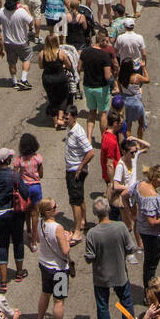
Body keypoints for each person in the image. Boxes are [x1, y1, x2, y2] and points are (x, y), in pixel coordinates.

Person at [84, 196, 138, 319]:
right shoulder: (120, 227)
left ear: (96, 213)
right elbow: (131, 248)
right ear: (108, 209)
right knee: (126, 302)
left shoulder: (92, 234)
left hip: (101, 276)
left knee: (103, 306)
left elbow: (90, 257)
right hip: (120, 273)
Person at [0, 148, 31, 291]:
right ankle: (19, 273)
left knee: (3, 245)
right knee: (18, 242)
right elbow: (25, 192)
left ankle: (3, 281)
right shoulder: (14, 175)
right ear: (7, 160)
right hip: (14, 214)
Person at [34, 197, 73, 319]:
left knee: (45, 293)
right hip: (59, 269)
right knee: (59, 300)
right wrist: (67, 239)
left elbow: (38, 239)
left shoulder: (39, 223)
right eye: (54, 206)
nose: (57, 207)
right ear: (48, 211)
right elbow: (65, 251)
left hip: (44, 265)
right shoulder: (57, 228)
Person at [135, 164, 160, 287]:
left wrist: (132, 214)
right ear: (154, 179)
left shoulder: (140, 184)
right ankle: (149, 293)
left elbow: (126, 194)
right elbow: (152, 222)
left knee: (148, 264)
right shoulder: (151, 197)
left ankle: (149, 291)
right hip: (153, 235)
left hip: (143, 230)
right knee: (151, 265)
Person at [63, 105, 94, 243]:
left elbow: (90, 152)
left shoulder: (78, 132)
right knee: (79, 197)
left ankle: (77, 232)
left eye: (67, 118)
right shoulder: (70, 128)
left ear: (75, 117)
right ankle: (83, 222)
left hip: (75, 171)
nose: (65, 120)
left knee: (74, 201)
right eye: (64, 117)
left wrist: (80, 167)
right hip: (71, 168)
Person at [0, 0, 35, 90]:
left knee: (11, 62)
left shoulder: (1, 12)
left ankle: (14, 81)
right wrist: (27, 10)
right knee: (27, 58)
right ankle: (23, 79)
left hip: (8, 42)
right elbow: (31, 22)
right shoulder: (21, 12)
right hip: (21, 41)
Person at [78, 33, 114, 143]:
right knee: (103, 113)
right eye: (106, 41)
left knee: (91, 112)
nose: (107, 44)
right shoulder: (104, 56)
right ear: (102, 41)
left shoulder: (85, 52)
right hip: (101, 87)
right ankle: (104, 139)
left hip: (88, 85)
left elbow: (79, 68)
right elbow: (107, 76)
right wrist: (113, 76)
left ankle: (89, 137)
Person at [14, 133, 43, 252]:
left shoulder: (18, 160)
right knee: (35, 213)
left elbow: (15, 176)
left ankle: (29, 230)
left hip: (24, 188)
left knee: (26, 211)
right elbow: (41, 174)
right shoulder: (37, 158)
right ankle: (34, 241)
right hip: (35, 187)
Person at [38, 32, 73, 129]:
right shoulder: (60, 53)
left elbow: (41, 66)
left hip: (48, 79)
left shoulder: (42, 54)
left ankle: (55, 121)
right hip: (60, 78)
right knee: (63, 97)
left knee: (52, 98)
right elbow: (69, 65)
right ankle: (60, 118)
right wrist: (63, 65)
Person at [118, 57, 149, 139]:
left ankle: (128, 142)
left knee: (128, 123)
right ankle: (139, 143)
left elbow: (121, 91)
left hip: (126, 102)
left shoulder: (120, 77)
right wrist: (144, 68)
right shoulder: (136, 77)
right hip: (136, 102)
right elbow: (147, 80)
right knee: (141, 124)